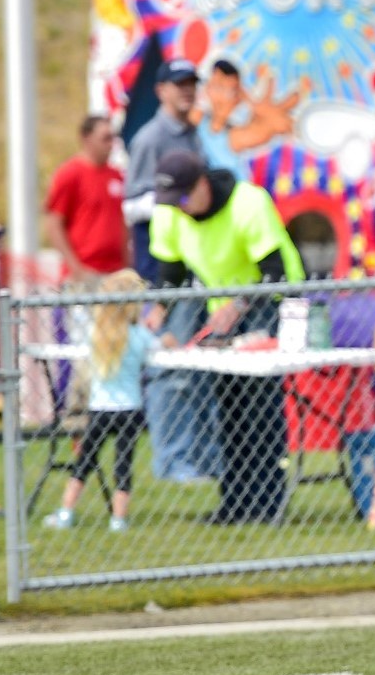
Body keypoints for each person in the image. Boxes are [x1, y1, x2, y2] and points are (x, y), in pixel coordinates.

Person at [146, 150, 303, 524]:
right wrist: (158, 311)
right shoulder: (171, 213)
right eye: (171, 202)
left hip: (270, 303)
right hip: (223, 315)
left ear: (201, 185)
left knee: (259, 407)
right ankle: (234, 504)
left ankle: (267, 505)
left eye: (183, 199)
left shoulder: (248, 204)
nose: (178, 209)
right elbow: (171, 274)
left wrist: (237, 305)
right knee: (229, 407)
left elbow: (277, 274)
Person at [42, 269, 158, 533]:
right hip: (130, 409)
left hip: (100, 410)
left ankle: (66, 513)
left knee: (84, 462)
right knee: (123, 465)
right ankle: (118, 519)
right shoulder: (139, 335)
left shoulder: (95, 333)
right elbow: (156, 348)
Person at [125, 59, 204, 283]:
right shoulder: (150, 139)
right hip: (158, 263)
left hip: (193, 259)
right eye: (180, 84)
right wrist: (178, 201)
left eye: (192, 83)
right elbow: (131, 205)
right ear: (161, 90)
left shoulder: (194, 135)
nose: (188, 90)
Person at [43, 115, 130, 283]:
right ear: (86, 139)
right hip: (85, 272)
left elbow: (122, 224)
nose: (111, 144)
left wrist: (126, 263)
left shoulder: (116, 175)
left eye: (113, 138)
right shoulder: (70, 174)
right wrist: (75, 268)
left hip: (115, 272)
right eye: (105, 138)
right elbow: (54, 223)